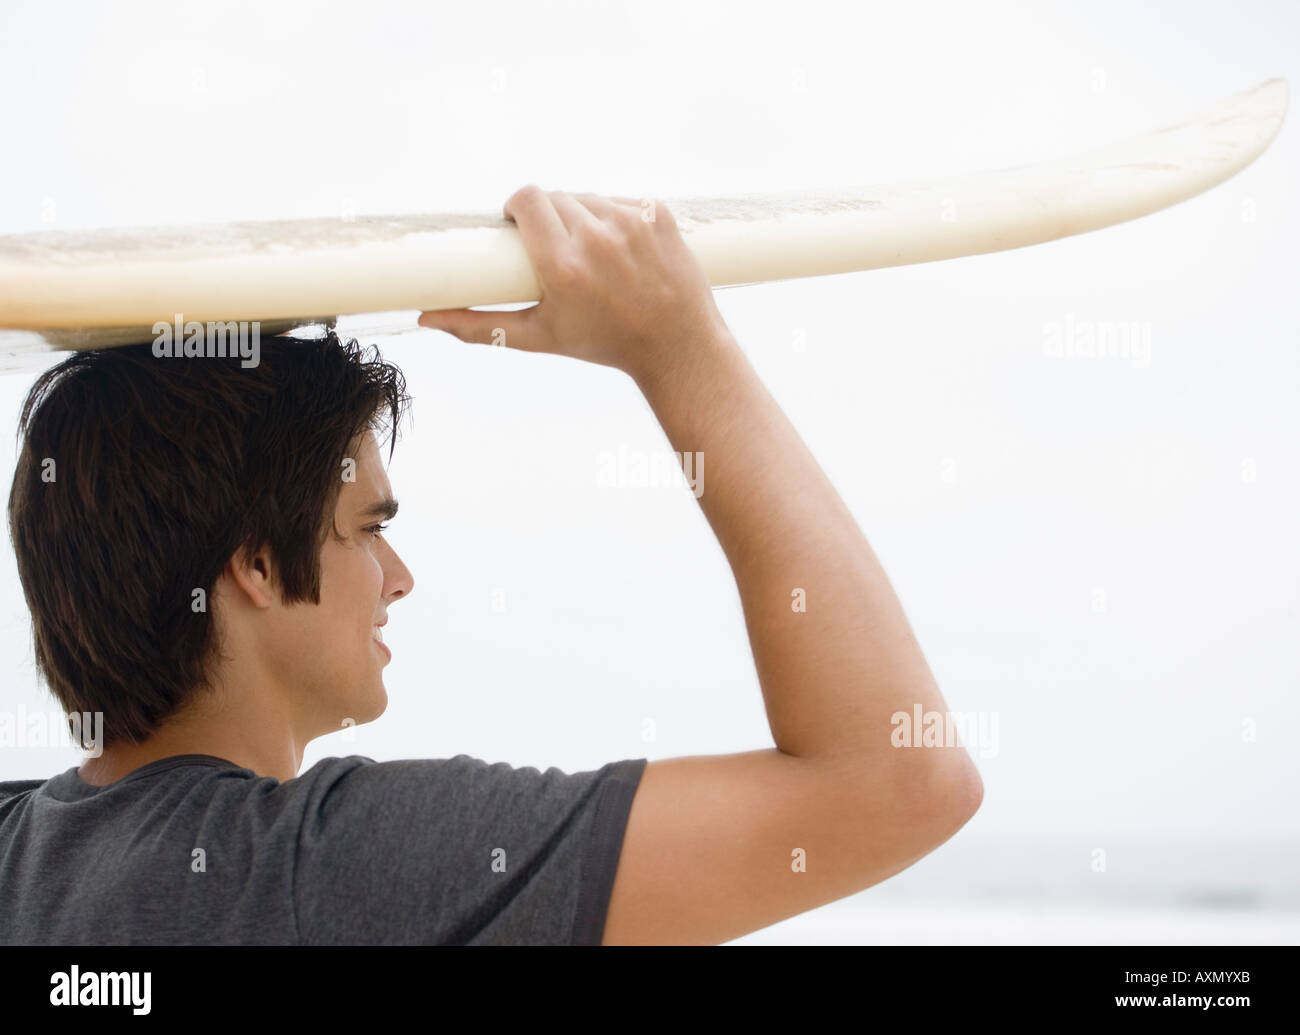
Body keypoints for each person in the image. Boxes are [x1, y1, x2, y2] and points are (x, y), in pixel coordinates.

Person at [0, 186, 981, 946]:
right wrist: (679, 351)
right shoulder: (333, 870)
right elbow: (899, 783)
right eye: (368, 528)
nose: (398, 577)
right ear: (256, 564)